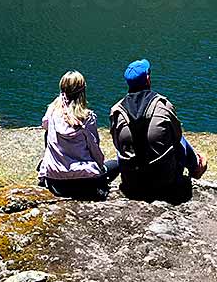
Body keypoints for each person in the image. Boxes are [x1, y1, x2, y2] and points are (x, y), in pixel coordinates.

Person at [108, 58, 206, 203]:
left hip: (132, 182)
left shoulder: (117, 112)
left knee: (123, 148)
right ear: (148, 79)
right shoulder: (163, 106)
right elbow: (177, 137)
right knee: (179, 140)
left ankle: (194, 164)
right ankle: (196, 166)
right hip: (164, 181)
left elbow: (117, 144)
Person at [37, 70, 119, 199]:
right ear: (82, 91)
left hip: (55, 181)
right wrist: (100, 168)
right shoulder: (87, 118)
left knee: (48, 133)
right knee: (116, 164)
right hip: (83, 182)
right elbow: (94, 149)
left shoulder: (52, 111)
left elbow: (45, 125)